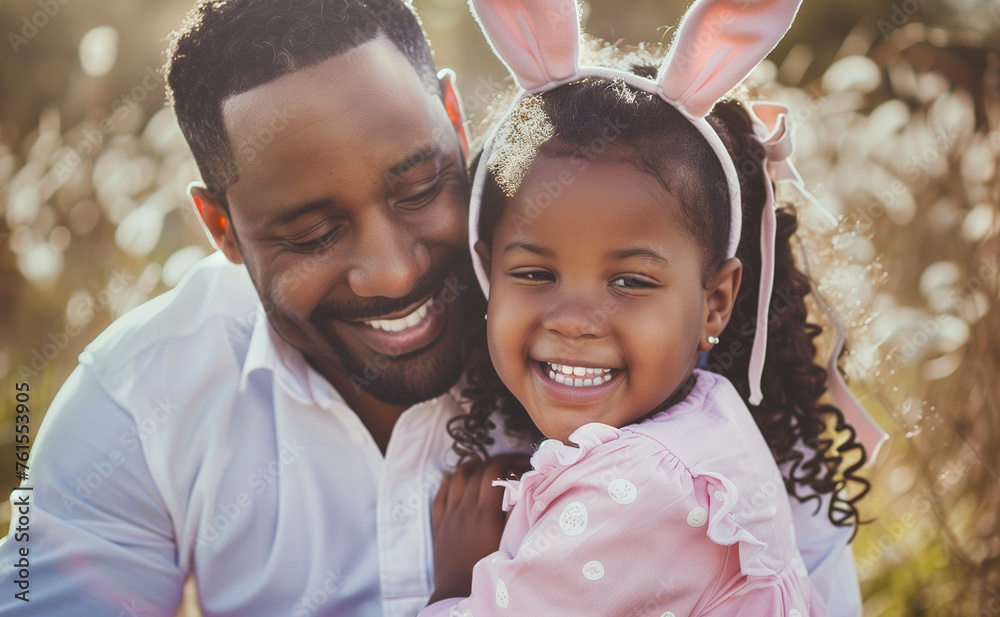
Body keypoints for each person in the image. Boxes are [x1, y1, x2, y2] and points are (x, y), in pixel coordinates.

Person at [0, 1, 873, 616]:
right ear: (222, 228)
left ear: (456, 118)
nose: (392, 270)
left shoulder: (695, 378)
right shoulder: (132, 400)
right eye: (311, 232)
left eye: (419, 188)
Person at [421, 0, 886, 615]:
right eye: (535, 274)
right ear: (487, 273)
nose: (574, 319)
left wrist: (458, 578)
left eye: (631, 282)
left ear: (715, 304)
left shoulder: (641, 489)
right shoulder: (710, 424)